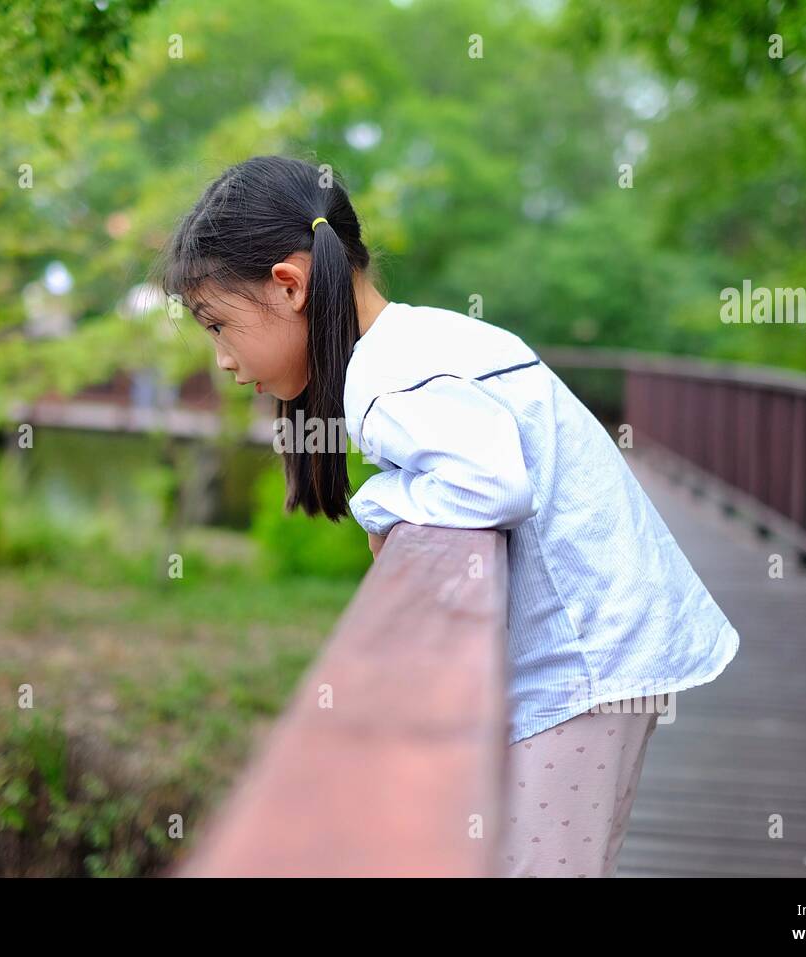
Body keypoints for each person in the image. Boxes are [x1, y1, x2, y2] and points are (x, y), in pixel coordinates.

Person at [157, 155, 740, 876]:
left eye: (217, 325)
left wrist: (379, 503)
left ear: (289, 285)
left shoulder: (385, 380)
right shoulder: (420, 338)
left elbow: (492, 485)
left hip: (587, 660)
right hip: (608, 636)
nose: (219, 358)